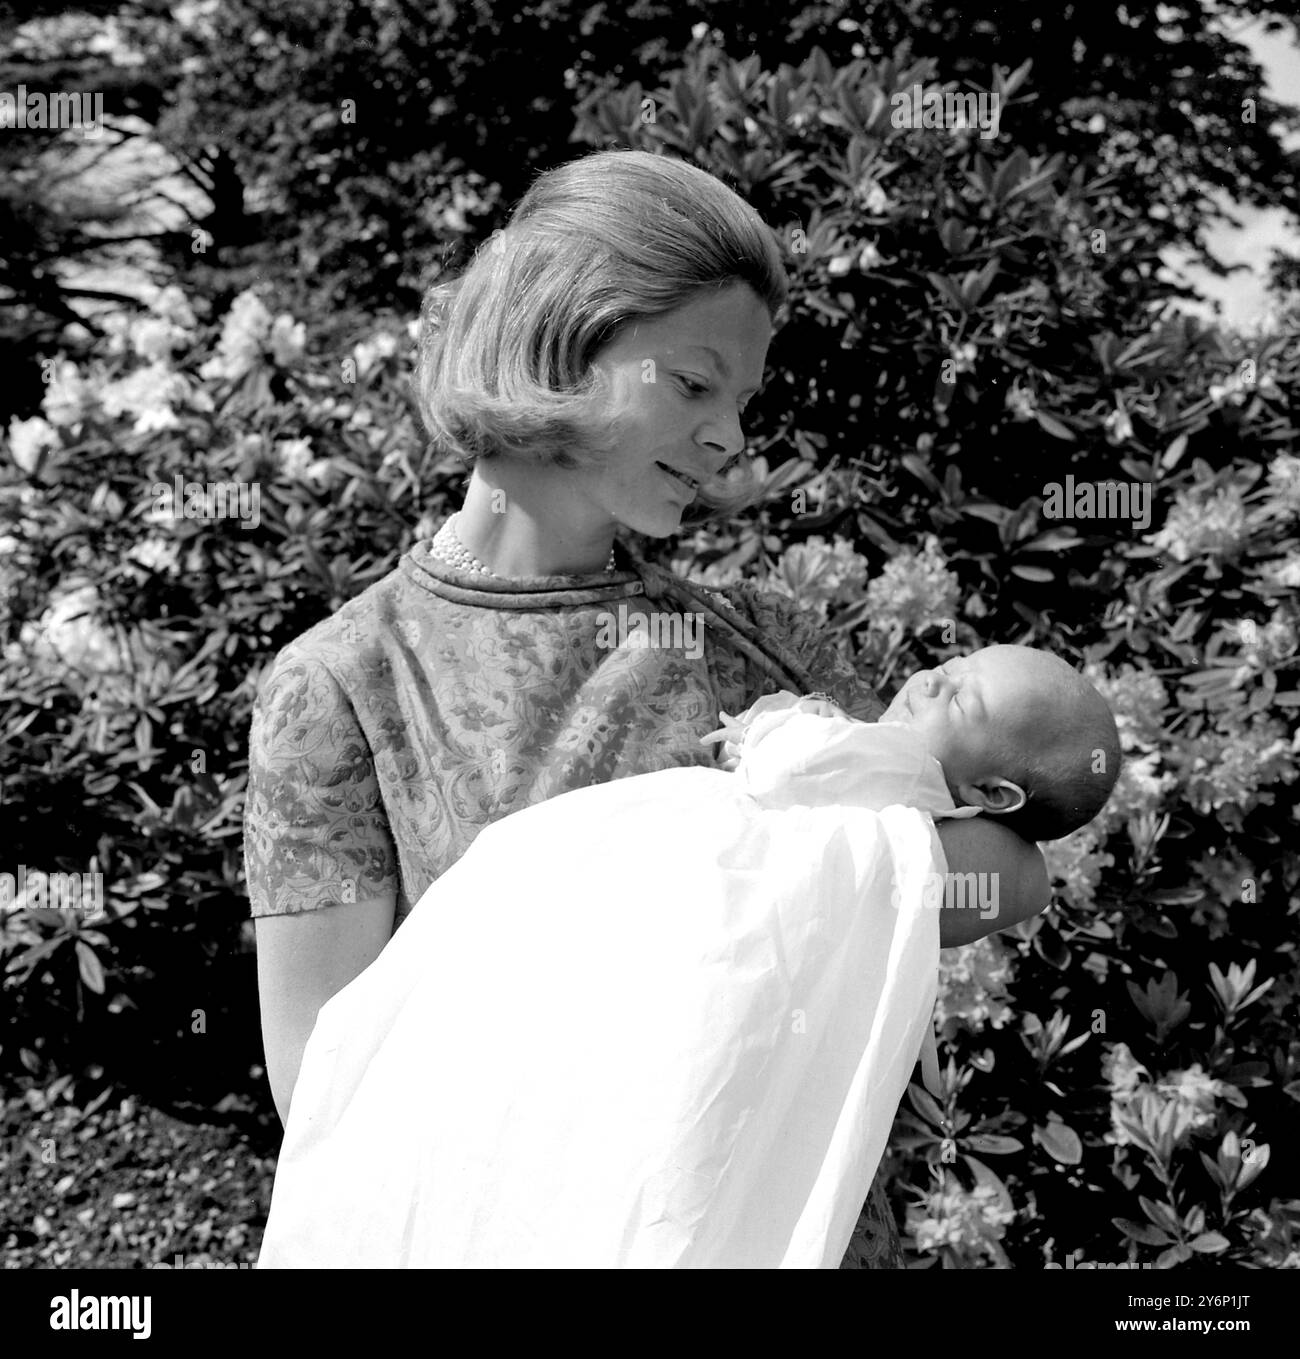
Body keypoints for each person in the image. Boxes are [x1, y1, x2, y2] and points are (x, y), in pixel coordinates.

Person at [244, 147, 1050, 1269]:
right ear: (560, 340)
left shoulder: (768, 639)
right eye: (692, 383)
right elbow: (324, 1087)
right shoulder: (340, 684)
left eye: (744, 400)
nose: (730, 438)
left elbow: (1004, 873)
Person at [254, 644, 1119, 1268]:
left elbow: (1010, 875)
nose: (937, 674)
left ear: (995, 794)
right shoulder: (337, 669)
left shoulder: (911, 801)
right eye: (959, 660)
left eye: (964, 699)